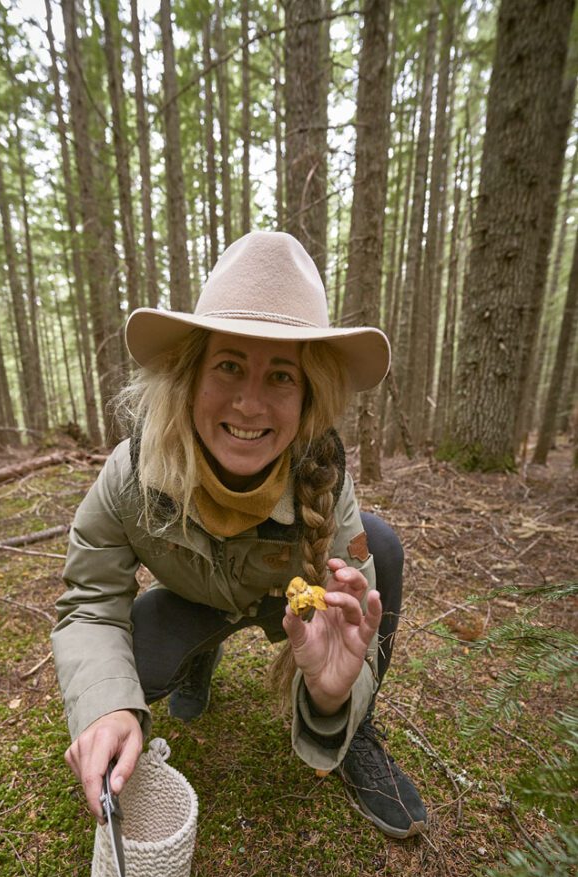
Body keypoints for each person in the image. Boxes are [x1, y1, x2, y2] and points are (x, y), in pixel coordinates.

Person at [52, 231, 427, 840]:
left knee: (379, 547)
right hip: (192, 595)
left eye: (281, 375)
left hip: (288, 605)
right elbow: (90, 606)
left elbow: (350, 611)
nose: (250, 404)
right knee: (126, 673)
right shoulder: (131, 474)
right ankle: (198, 656)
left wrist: (334, 696)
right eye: (228, 365)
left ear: (308, 395)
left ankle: (355, 730)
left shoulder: (324, 480)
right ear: (188, 375)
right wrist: (105, 706)